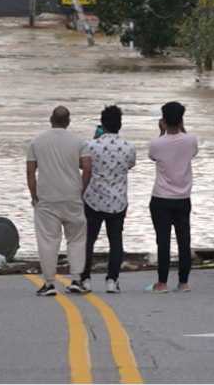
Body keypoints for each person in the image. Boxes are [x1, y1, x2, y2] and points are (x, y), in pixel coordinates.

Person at [26, 106, 92, 297]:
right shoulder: (79, 142)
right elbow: (87, 168)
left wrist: (34, 195)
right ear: (68, 121)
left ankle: (49, 283)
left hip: (47, 198)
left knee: (48, 240)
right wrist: (82, 189)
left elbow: (30, 172)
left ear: (50, 119)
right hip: (72, 196)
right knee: (77, 239)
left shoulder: (37, 142)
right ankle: (76, 280)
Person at [80, 105, 135, 294]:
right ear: (120, 125)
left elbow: (84, 166)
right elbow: (130, 165)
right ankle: (112, 280)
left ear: (102, 124)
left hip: (93, 198)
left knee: (88, 240)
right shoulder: (129, 147)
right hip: (118, 200)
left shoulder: (91, 145)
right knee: (116, 240)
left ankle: (85, 278)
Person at [148, 101, 198, 293]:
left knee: (163, 241)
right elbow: (191, 151)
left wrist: (162, 133)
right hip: (183, 198)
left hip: (161, 198)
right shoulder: (191, 140)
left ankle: (162, 283)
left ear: (163, 121)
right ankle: (183, 282)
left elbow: (154, 156)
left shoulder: (156, 143)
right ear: (181, 119)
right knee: (184, 240)